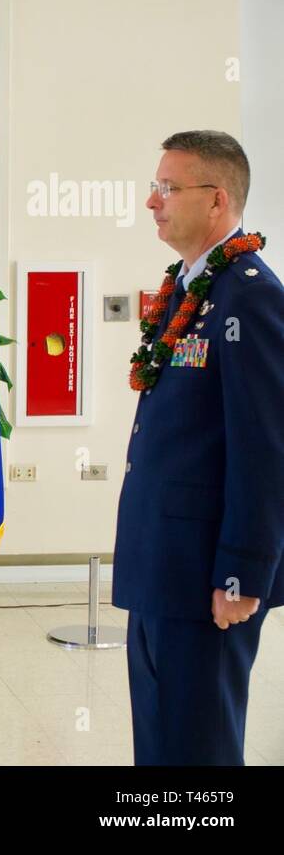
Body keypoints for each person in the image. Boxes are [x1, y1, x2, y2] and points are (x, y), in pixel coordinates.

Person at [113, 130, 284, 765]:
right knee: (160, 740)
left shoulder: (251, 296)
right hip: (162, 565)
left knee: (200, 745)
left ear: (217, 200)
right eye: (154, 186)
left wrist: (242, 573)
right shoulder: (193, 289)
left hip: (209, 574)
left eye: (167, 187)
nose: (152, 201)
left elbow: (265, 452)